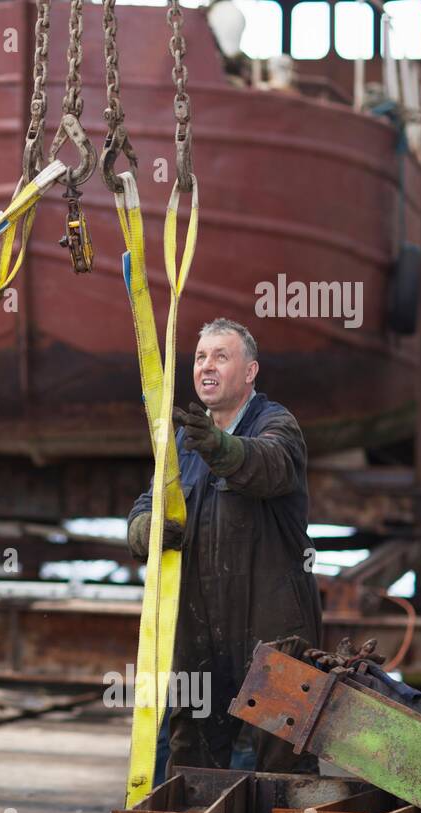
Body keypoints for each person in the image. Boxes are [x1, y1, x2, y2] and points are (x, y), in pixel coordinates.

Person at [126, 317, 321, 777]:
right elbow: (147, 500)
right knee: (191, 758)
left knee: (284, 762)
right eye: (199, 357)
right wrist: (143, 529)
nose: (206, 366)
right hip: (200, 634)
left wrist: (218, 446)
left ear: (250, 371)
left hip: (274, 632)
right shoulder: (185, 439)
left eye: (221, 356)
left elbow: (268, 467)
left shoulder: (277, 424)